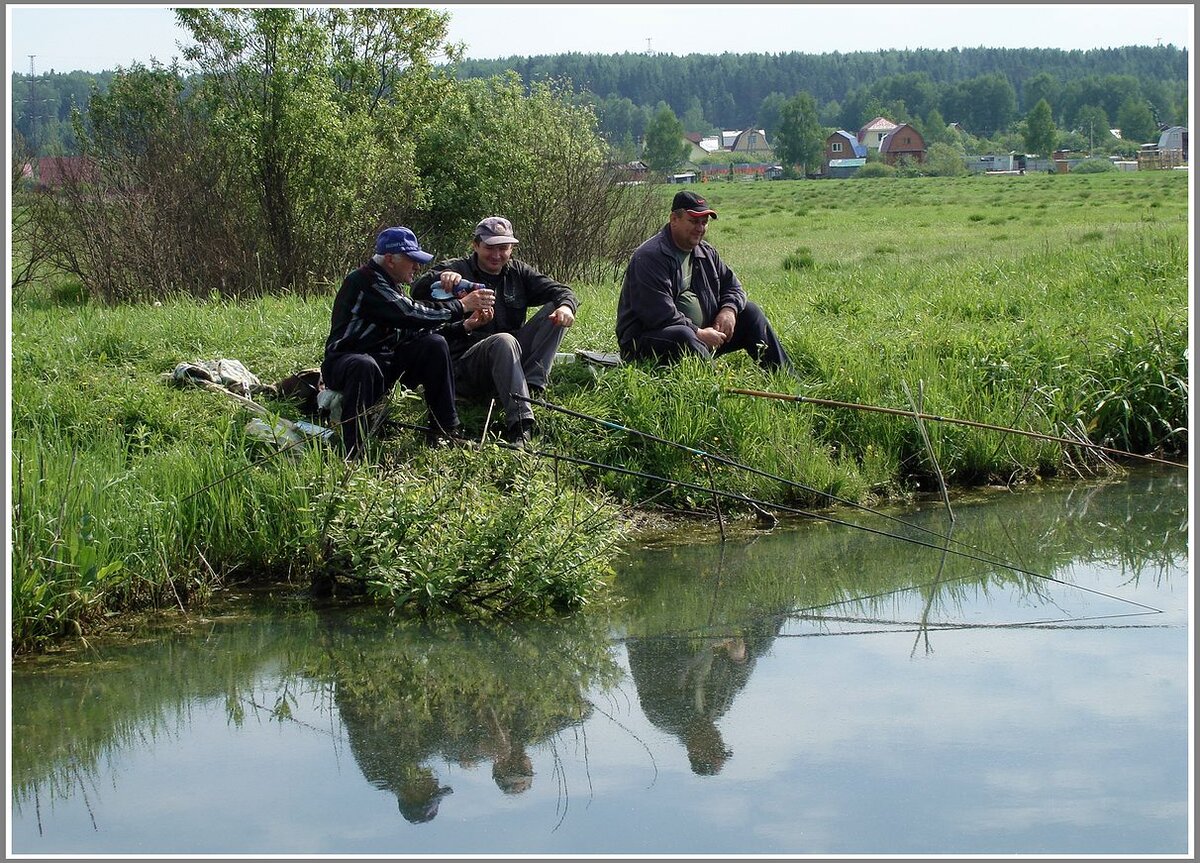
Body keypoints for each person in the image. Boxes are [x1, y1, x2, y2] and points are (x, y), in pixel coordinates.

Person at [322, 226, 495, 456]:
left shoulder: (392, 285)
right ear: (391, 259)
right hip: (345, 363)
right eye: (412, 259)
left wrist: (465, 326)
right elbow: (410, 314)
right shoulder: (366, 282)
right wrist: (461, 306)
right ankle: (355, 450)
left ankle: (445, 431)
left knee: (434, 345)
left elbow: (414, 330)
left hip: (383, 361)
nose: (417, 266)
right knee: (364, 364)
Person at [411, 216, 579, 448]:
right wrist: (440, 277)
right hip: (467, 365)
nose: (497, 255)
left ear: (511, 249)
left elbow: (562, 291)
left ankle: (531, 386)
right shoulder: (457, 268)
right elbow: (416, 290)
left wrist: (565, 307)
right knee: (504, 340)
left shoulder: (518, 272)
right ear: (476, 245)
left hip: (512, 358)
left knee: (555, 311)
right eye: (490, 248)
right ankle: (521, 426)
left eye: (504, 248)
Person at [615, 190, 793, 373]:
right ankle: (713, 386)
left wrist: (728, 310)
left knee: (750, 312)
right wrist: (698, 333)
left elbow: (733, 286)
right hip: (645, 341)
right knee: (683, 335)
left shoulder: (706, 252)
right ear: (674, 219)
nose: (700, 228)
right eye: (693, 221)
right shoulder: (650, 257)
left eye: (704, 222)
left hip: (701, 336)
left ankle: (784, 375)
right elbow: (657, 314)